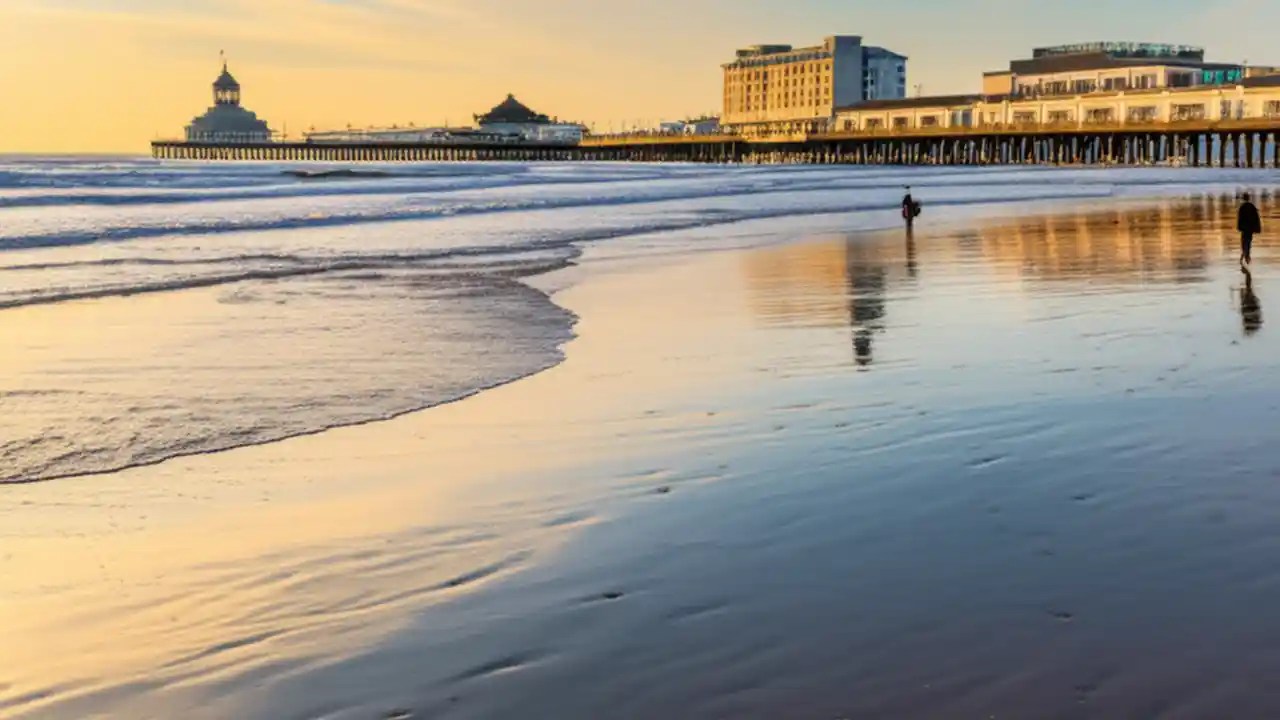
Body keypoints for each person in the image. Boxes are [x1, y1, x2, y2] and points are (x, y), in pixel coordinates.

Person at [1238, 192, 1262, 267]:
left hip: (1244, 228)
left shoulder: (1242, 207)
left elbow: (1240, 219)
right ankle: (1246, 254)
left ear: (1243, 198)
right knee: (1248, 241)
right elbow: (1256, 218)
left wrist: (1239, 227)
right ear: (1249, 198)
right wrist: (1258, 228)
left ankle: (1245, 254)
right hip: (1250, 228)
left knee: (1243, 241)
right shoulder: (1252, 206)